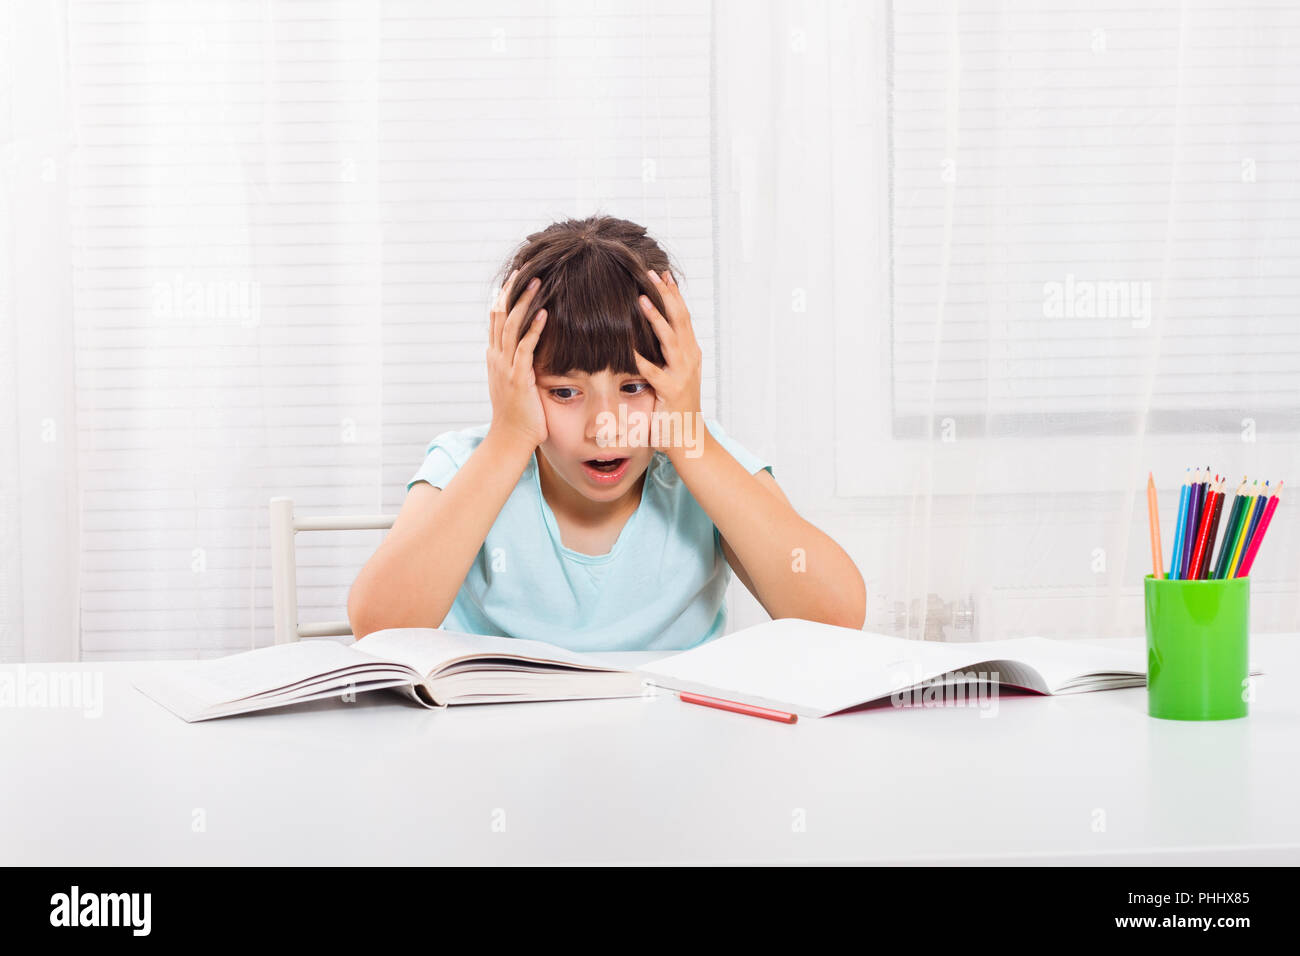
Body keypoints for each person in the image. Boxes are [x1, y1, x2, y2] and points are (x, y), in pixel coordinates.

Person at [347, 215, 865, 651]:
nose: (604, 426)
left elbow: (836, 619)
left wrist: (693, 443)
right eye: (565, 393)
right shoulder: (468, 464)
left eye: (635, 386)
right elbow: (380, 628)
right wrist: (507, 440)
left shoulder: (698, 459)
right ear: (515, 382)